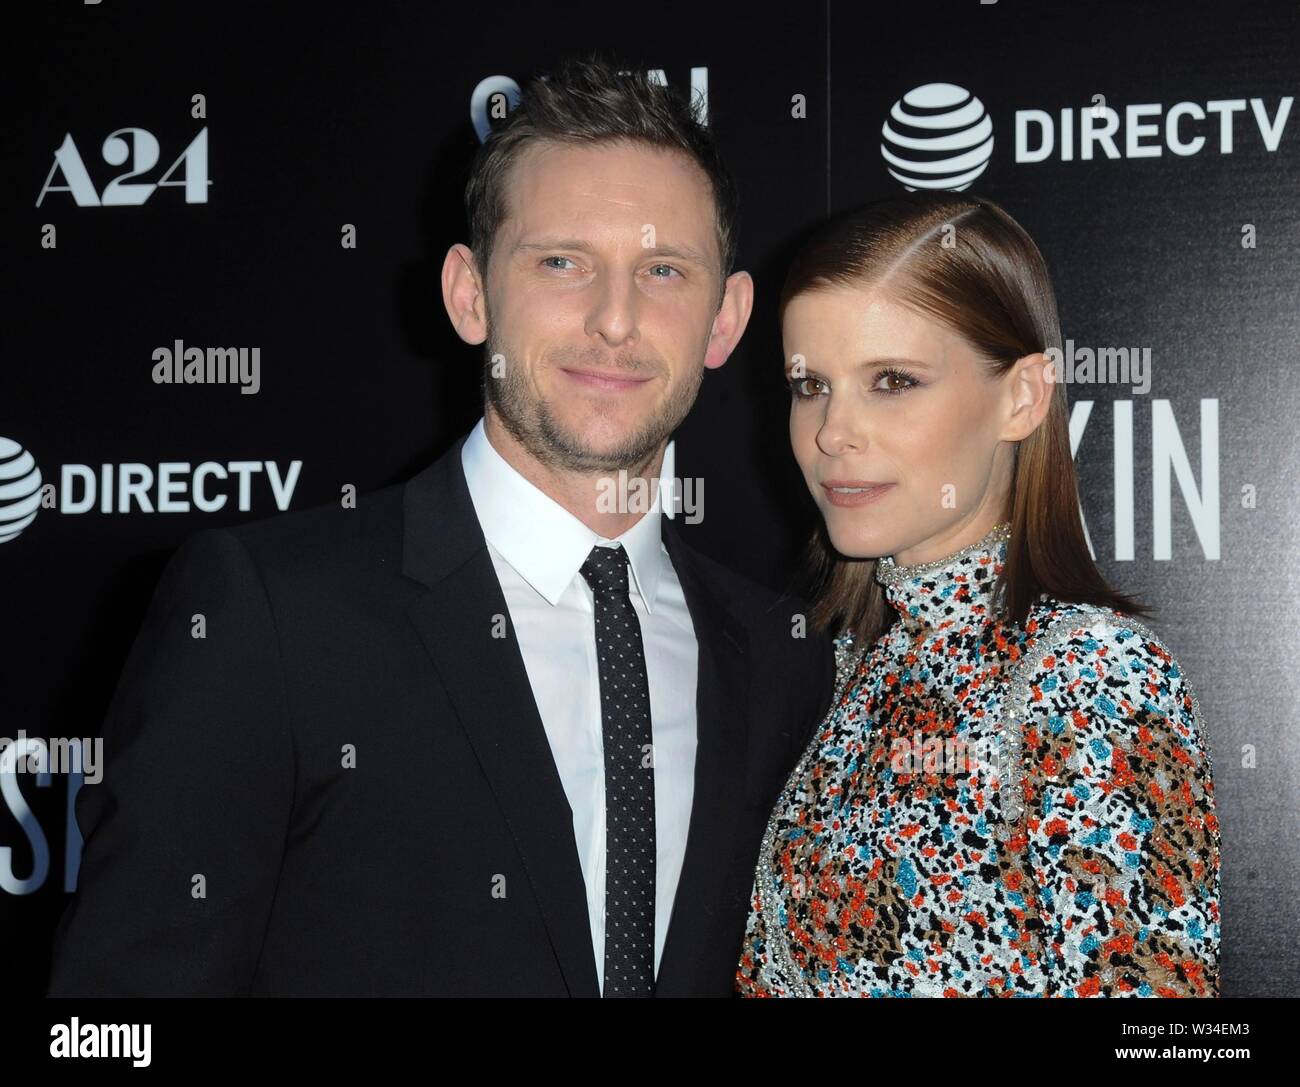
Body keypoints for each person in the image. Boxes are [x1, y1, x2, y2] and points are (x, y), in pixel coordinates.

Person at [45, 54, 834, 998]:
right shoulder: (271, 615)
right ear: (470, 295)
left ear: (725, 318)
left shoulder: (787, 662)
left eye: (663, 270)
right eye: (561, 262)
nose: (615, 320)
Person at [736, 193, 1221, 997]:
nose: (831, 432)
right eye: (809, 384)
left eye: (892, 380)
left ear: (1023, 397)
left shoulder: (1092, 676)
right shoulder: (854, 669)